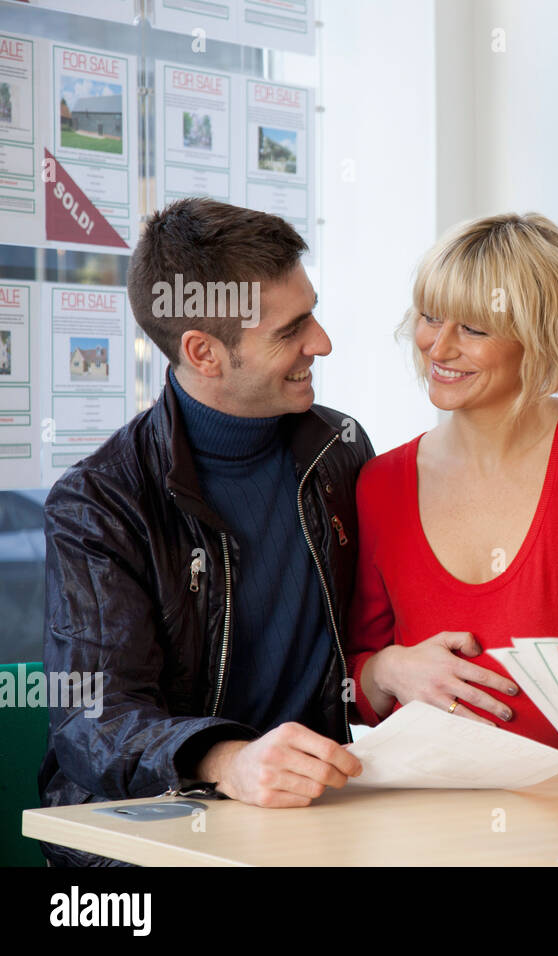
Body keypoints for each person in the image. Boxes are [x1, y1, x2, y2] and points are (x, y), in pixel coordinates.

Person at [39, 198, 370, 866]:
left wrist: (387, 671)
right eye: (292, 329)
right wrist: (230, 760)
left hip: (312, 824)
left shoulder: (340, 449)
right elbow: (90, 718)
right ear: (204, 353)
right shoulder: (99, 501)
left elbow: (359, 642)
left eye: (313, 310)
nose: (323, 342)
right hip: (152, 837)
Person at [346, 213, 558, 752]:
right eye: (431, 317)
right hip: (425, 797)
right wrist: (387, 669)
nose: (439, 346)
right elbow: (358, 682)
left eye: (473, 329)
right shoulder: (380, 482)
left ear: (538, 338)